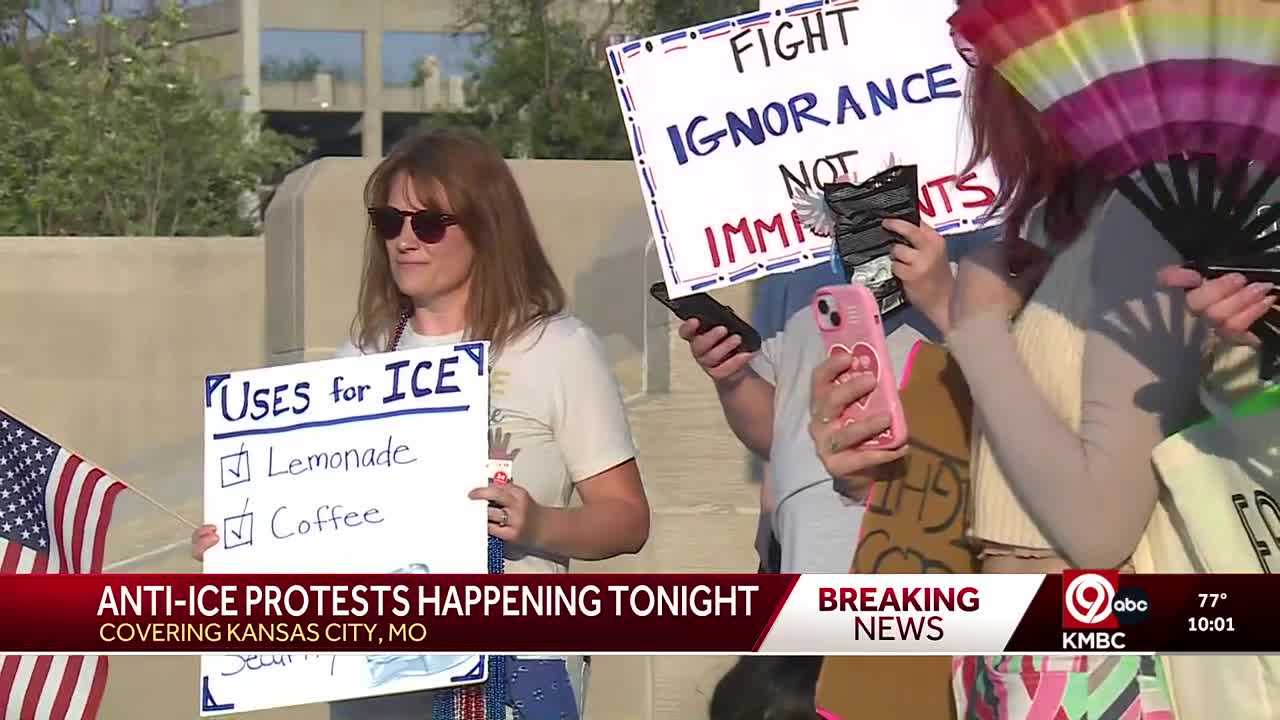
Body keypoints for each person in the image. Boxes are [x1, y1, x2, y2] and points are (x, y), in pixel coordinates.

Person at [814, 9, 1216, 714]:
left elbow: (1098, 527)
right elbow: (1040, 447)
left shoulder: (1141, 217)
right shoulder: (1080, 224)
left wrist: (975, 325)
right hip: (1018, 646)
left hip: (1089, 658)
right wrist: (881, 472)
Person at [191, 127, 650, 719]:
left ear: (487, 229)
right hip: (376, 669)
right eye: (389, 222)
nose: (405, 240)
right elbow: (328, 523)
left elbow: (627, 519)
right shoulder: (358, 358)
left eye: (428, 224)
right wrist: (248, 550)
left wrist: (539, 524)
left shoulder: (557, 348)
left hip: (516, 668)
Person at [681, 220, 995, 574]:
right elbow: (779, 433)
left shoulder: (991, 228)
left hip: (937, 526)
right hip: (811, 541)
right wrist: (734, 378)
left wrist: (944, 299)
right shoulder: (787, 254)